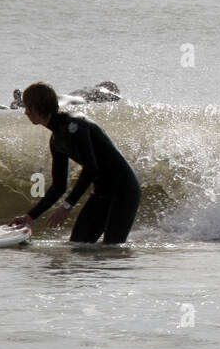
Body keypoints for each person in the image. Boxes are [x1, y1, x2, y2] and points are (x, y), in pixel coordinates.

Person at [8, 82, 141, 244]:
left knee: (112, 247)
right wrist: (29, 217)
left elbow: (91, 168)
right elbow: (59, 186)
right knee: (78, 244)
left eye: (27, 107)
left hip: (124, 189)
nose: (25, 112)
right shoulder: (56, 140)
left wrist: (66, 206)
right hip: (102, 192)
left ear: (35, 108)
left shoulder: (75, 124)